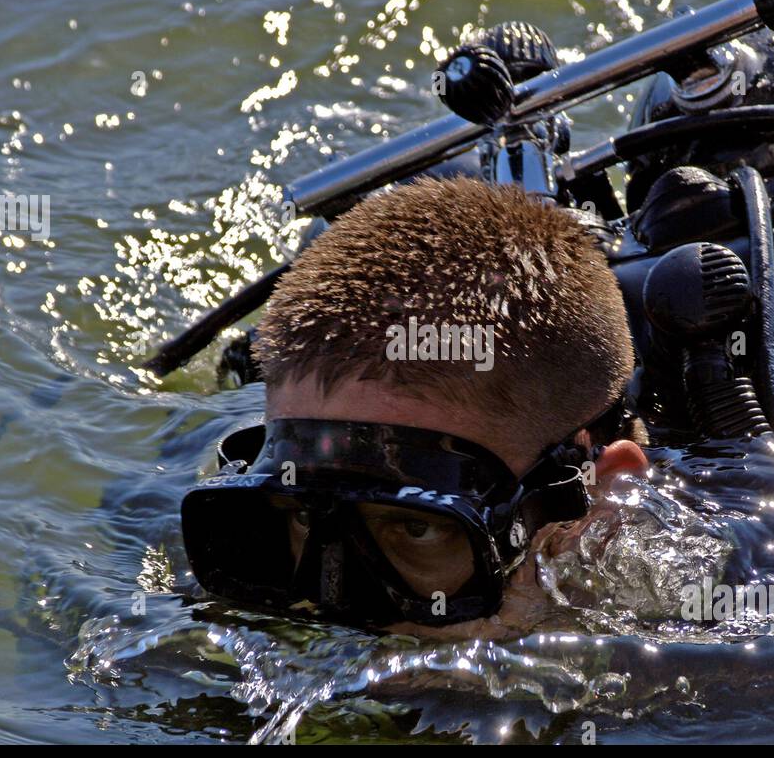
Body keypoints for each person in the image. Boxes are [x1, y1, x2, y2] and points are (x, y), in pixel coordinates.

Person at [182, 176, 650, 637]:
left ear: (598, 502)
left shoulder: (708, 621)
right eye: (303, 514)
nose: (332, 609)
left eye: (416, 527)